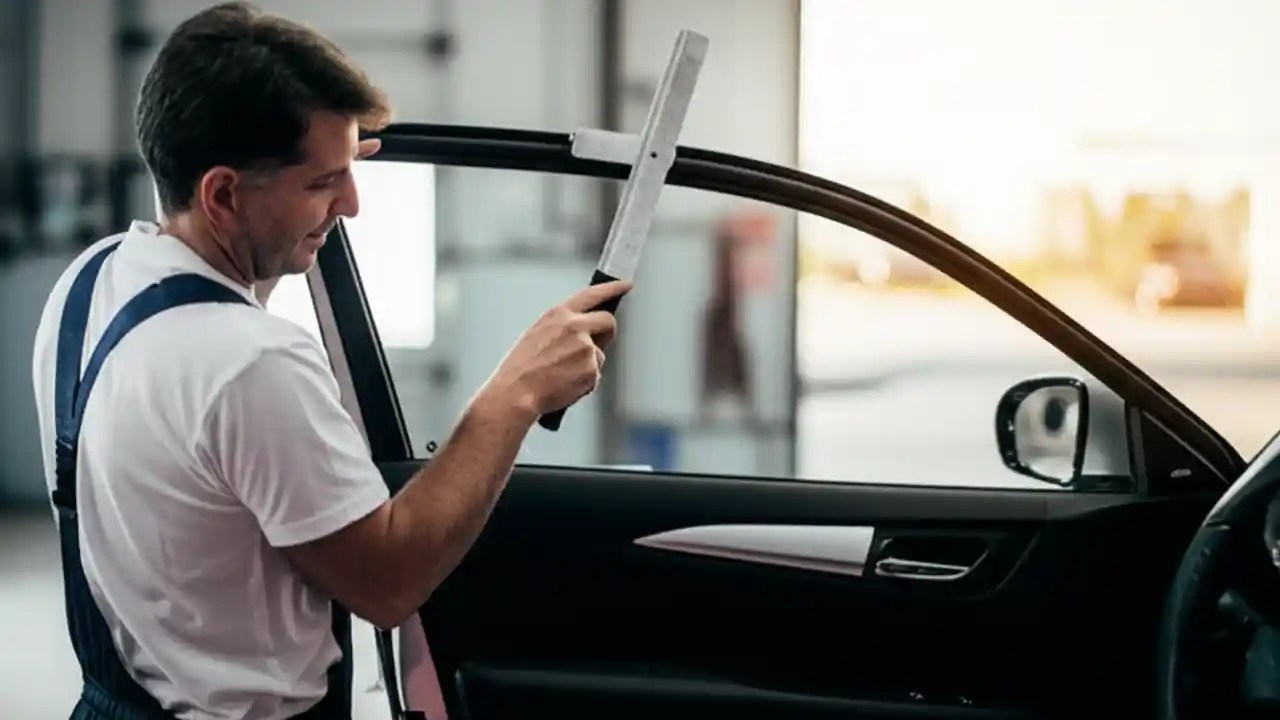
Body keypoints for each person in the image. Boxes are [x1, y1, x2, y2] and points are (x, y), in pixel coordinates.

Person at [30, 3, 630, 719]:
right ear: (222, 193)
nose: (349, 205)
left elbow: (229, 281)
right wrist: (515, 395)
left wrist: (317, 173)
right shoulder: (252, 363)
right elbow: (387, 582)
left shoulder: (90, 283)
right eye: (322, 184)